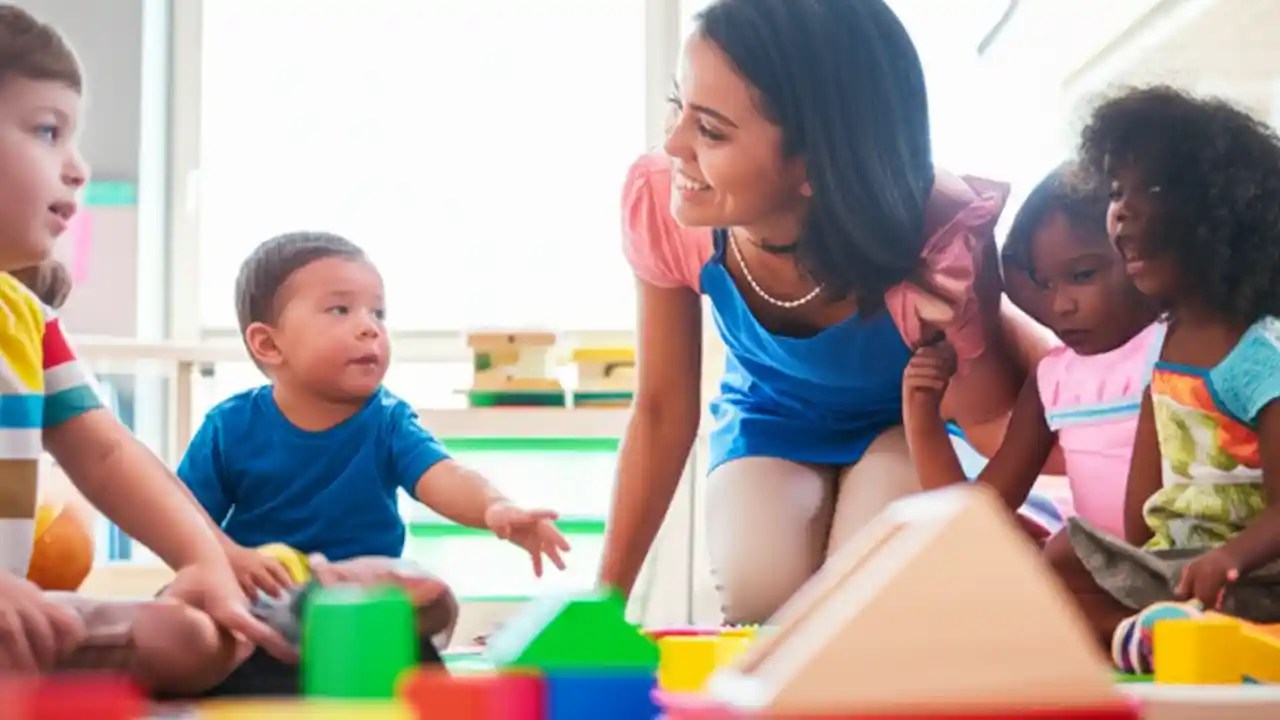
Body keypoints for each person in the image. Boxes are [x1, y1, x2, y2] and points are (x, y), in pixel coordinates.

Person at [599, 0, 1054, 624]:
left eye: (710, 130)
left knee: (861, 601)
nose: (673, 145)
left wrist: (967, 324)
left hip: (912, 422)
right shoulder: (661, 202)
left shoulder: (939, 235)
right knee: (762, 597)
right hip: (771, 416)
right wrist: (602, 603)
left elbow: (987, 409)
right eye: (679, 106)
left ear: (817, 164)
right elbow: (659, 410)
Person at [0, 3, 291, 689]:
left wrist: (206, 562)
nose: (76, 167)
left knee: (189, 637)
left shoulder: (24, 317)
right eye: (46, 131)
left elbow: (105, 453)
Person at [178, 232, 571, 589]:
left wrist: (494, 506)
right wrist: (229, 562)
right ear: (268, 344)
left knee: (432, 594)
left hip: (361, 596)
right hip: (259, 594)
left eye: (377, 313)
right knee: (184, 607)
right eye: (340, 310)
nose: (370, 328)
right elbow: (181, 517)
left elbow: (444, 475)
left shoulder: (388, 420)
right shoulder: (229, 427)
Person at [1047, 86, 1280, 671]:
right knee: (1058, 561)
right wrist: (1131, 558)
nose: (1121, 210)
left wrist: (1228, 559)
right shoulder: (1167, 346)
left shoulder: (1259, 355)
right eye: (1115, 192)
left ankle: (1187, 638)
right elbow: (1140, 511)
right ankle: (1170, 637)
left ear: (1225, 210)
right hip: (1178, 568)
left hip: (1254, 570)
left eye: (1150, 189)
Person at [904, 164, 1161, 540]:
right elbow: (979, 512)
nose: (1061, 305)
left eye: (1082, 275)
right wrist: (922, 420)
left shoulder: (1178, 345)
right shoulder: (1052, 381)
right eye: (1043, 284)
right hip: (1102, 568)